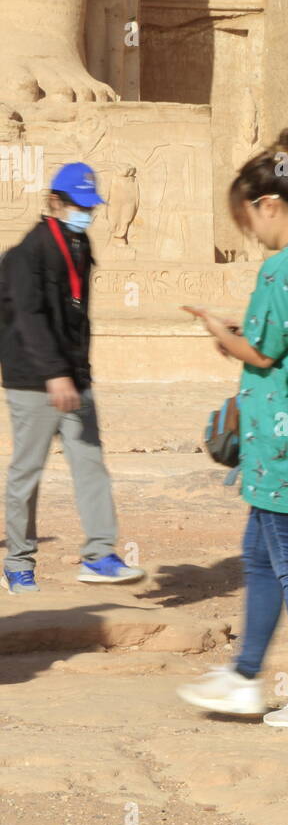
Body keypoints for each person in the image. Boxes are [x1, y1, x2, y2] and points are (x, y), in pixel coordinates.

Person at [177, 129, 288, 729]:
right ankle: (245, 675)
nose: (252, 233)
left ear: (268, 205)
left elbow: (260, 351)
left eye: (248, 220)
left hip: (287, 445)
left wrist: (220, 332)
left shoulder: (285, 268)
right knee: (261, 558)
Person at [0, 162, 145, 593]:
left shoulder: (80, 245)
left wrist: (79, 373)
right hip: (33, 380)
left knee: (90, 465)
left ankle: (99, 555)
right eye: (79, 206)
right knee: (27, 472)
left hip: (73, 380)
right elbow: (30, 317)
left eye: (90, 207)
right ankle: (18, 563)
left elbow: (76, 318)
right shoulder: (28, 253)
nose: (87, 213)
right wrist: (54, 374)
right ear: (54, 202)